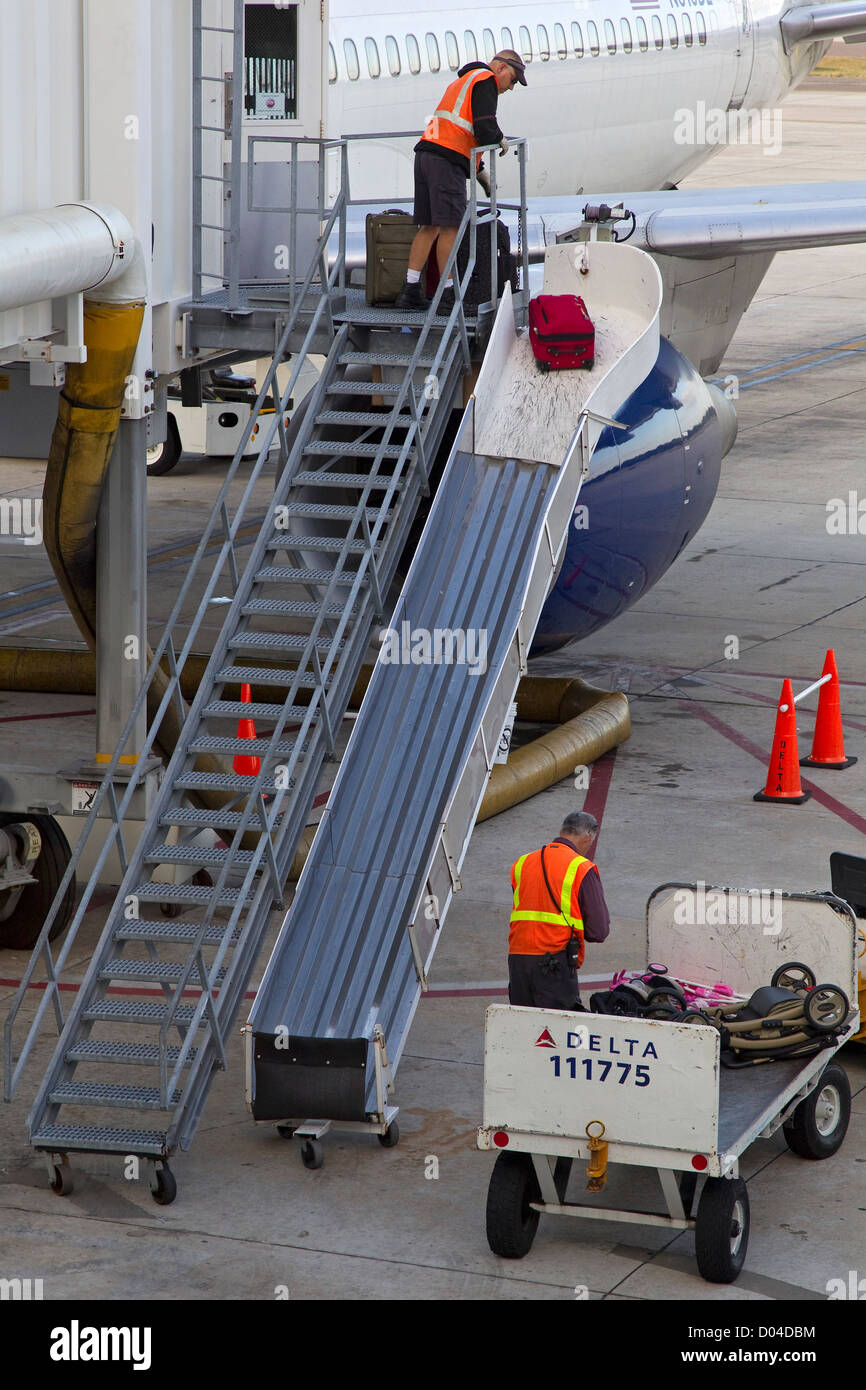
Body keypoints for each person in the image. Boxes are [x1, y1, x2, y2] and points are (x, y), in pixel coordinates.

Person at [394, 49, 527, 314]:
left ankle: (409, 290)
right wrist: (500, 138)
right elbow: (484, 128)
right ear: (500, 68)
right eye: (512, 80)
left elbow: (462, 133)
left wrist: (479, 173)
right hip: (445, 163)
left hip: (426, 156)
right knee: (451, 228)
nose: (511, 88)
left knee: (429, 226)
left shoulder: (463, 81)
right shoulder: (486, 80)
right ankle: (447, 296)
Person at [508, 811, 610, 1011]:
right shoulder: (581, 867)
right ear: (588, 837)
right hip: (553, 964)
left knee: (523, 1026)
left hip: (518, 961)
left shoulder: (522, 863)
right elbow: (598, 931)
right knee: (557, 1034)